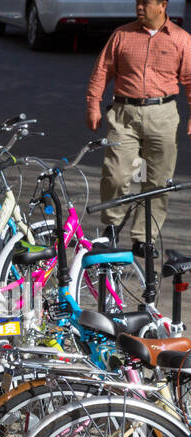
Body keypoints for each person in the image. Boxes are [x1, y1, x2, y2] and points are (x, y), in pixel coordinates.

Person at [85, 0, 191, 259]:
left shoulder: (182, 39)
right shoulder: (122, 35)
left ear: (162, 5)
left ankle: (145, 238)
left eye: (146, 2)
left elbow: (190, 79)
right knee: (117, 174)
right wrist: (93, 105)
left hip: (163, 114)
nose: (139, 7)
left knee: (157, 180)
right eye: (138, 2)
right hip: (124, 114)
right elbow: (101, 72)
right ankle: (110, 227)